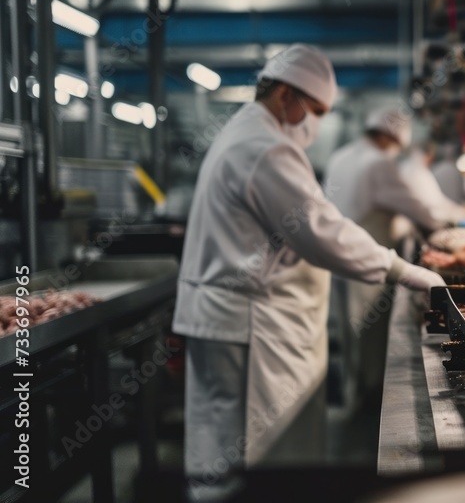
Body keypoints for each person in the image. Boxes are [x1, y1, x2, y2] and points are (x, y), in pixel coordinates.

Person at [173, 44, 445, 492]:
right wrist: (400, 269)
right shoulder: (264, 147)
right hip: (253, 326)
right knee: (255, 458)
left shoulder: (246, 134)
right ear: (285, 94)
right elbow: (319, 228)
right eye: (315, 111)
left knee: (225, 451)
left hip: (234, 318)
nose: (315, 123)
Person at [323, 107, 448, 415]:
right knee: (367, 336)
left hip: (338, 262)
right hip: (369, 262)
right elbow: (415, 206)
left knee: (349, 333)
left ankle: (354, 395)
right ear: (392, 136)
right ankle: (369, 404)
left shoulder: (341, 156)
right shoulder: (378, 163)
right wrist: (445, 223)